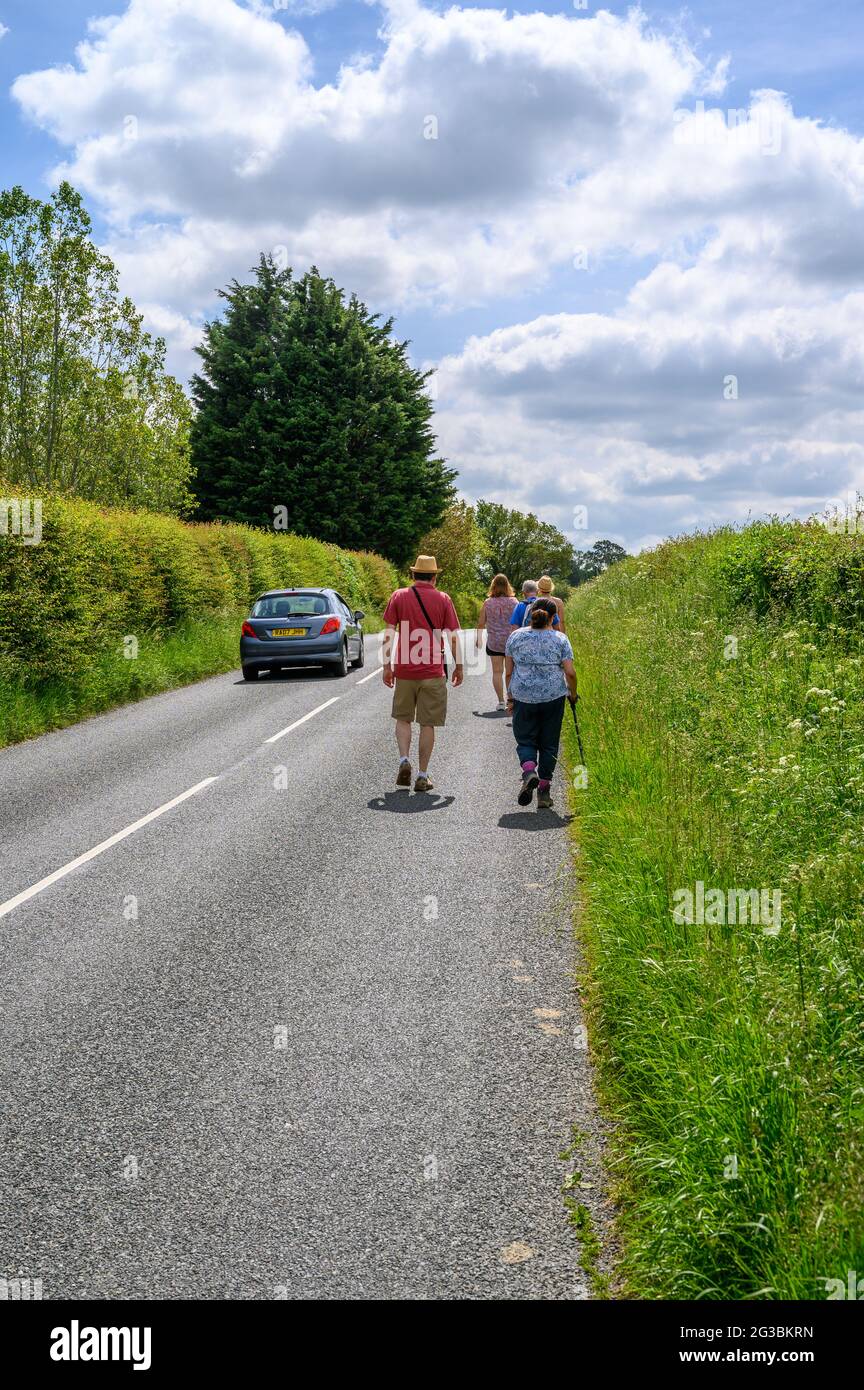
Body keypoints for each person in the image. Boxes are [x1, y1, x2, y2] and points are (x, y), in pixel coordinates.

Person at [382, 554, 463, 792]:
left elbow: (389, 633)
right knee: (428, 723)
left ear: (413, 575)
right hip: (433, 670)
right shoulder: (443, 599)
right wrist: (458, 665)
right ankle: (422, 774)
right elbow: (453, 637)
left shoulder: (399, 596)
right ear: (434, 577)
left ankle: (404, 759)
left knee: (403, 717)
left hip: (405, 669)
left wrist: (387, 665)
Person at [505, 597, 576, 810]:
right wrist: (573, 693)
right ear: (553, 618)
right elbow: (570, 672)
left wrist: (510, 698)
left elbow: (509, 671)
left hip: (523, 696)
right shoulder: (560, 639)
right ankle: (544, 791)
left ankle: (529, 772)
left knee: (525, 740)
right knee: (549, 743)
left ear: (531, 614)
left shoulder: (515, 637)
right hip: (553, 697)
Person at [475, 574, 518, 710]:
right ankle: (511, 700)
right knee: (511, 671)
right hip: (511, 641)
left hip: (494, 642)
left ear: (493, 586)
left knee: (497, 672)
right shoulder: (514, 602)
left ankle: (500, 702)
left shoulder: (488, 603)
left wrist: (478, 638)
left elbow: (481, 623)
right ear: (507, 586)